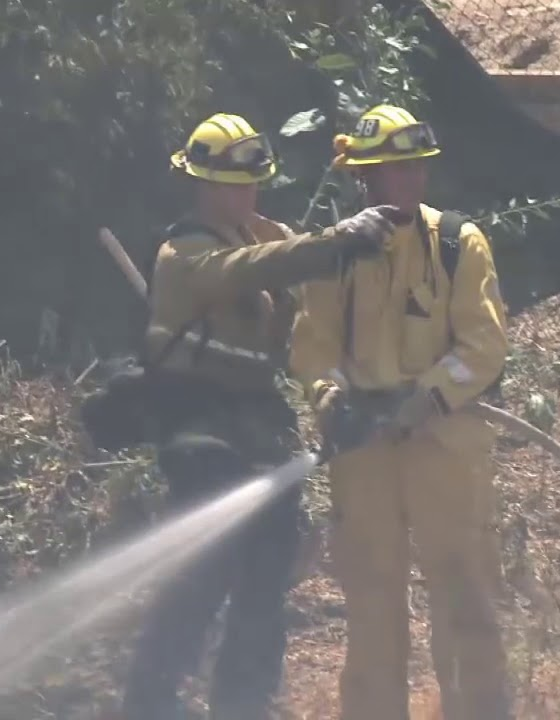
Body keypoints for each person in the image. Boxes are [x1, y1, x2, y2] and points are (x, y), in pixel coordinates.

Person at [120, 111, 400, 720]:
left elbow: (308, 295)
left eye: (251, 183)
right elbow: (260, 267)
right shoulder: (184, 253)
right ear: (201, 185)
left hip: (257, 419)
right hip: (196, 422)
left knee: (266, 575)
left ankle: (243, 704)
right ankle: (151, 702)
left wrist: (346, 390)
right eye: (231, 185)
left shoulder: (261, 232)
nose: (245, 194)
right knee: (203, 570)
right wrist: (335, 240)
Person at [288, 103, 513, 720]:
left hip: (445, 442)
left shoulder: (456, 244)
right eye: (395, 169)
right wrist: (333, 400)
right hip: (365, 454)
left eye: (417, 167)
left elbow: (484, 345)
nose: (411, 179)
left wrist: (426, 398)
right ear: (364, 178)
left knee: (464, 591)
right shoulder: (337, 253)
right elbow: (314, 349)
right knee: (371, 599)